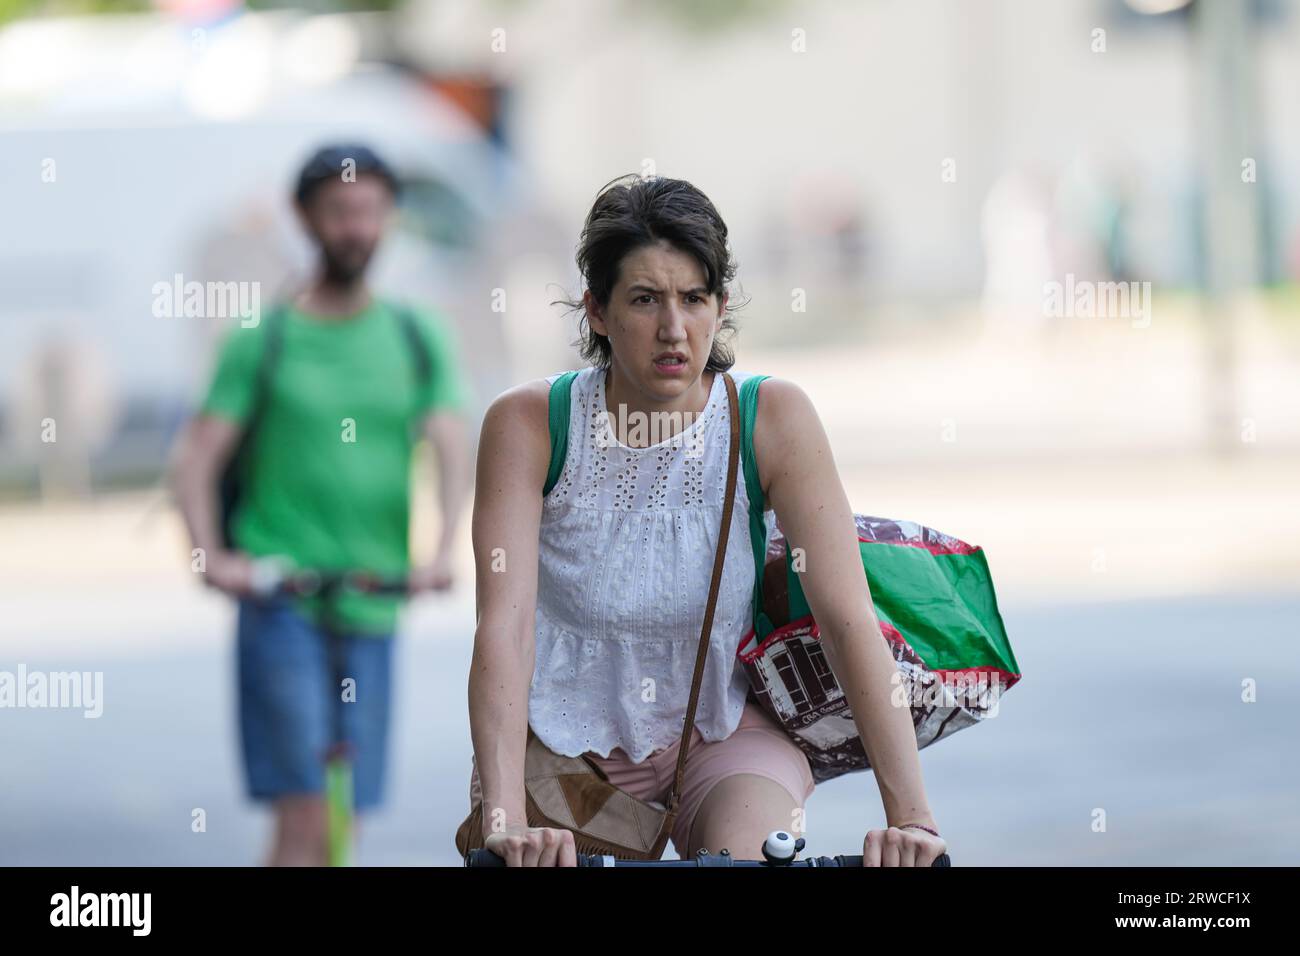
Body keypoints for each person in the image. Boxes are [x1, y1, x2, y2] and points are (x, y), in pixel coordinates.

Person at [466, 174, 947, 866]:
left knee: (751, 858)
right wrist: (506, 818)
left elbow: (847, 618)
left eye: (695, 298)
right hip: (566, 753)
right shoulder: (530, 425)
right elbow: (504, 628)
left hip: (719, 735)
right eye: (644, 299)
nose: (674, 328)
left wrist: (914, 821)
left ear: (721, 307)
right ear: (596, 311)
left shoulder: (771, 418)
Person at [171, 142, 473, 866]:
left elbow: (451, 445)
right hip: (282, 602)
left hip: (375, 600)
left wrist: (438, 555)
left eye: (370, 211)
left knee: (346, 816)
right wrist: (212, 557)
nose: (355, 228)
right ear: (305, 218)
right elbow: (196, 458)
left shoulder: (414, 333)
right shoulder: (263, 338)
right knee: (306, 806)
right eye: (339, 211)